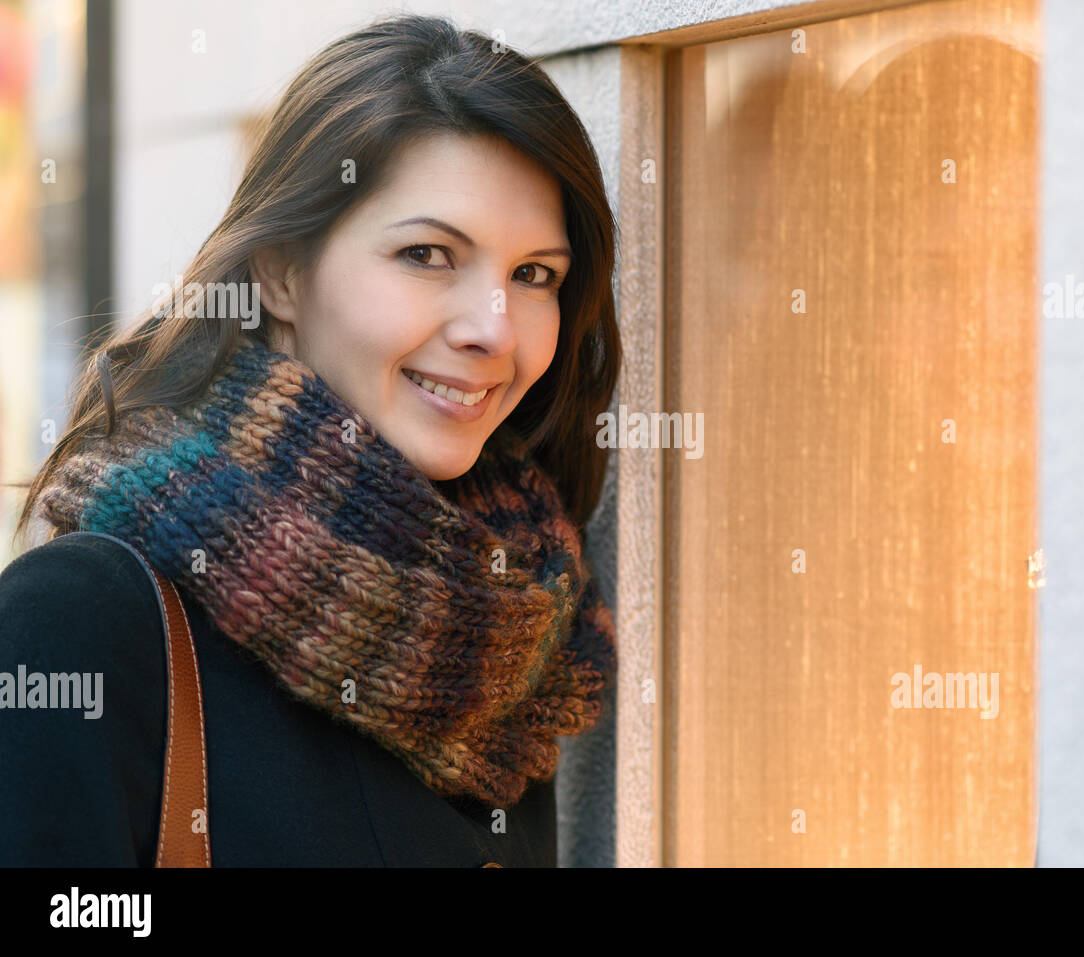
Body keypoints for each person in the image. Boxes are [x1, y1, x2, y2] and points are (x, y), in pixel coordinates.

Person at [0, 13, 620, 867]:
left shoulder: (510, 629)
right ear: (283, 273)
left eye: (534, 274)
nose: (494, 328)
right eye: (429, 254)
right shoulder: (82, 619)